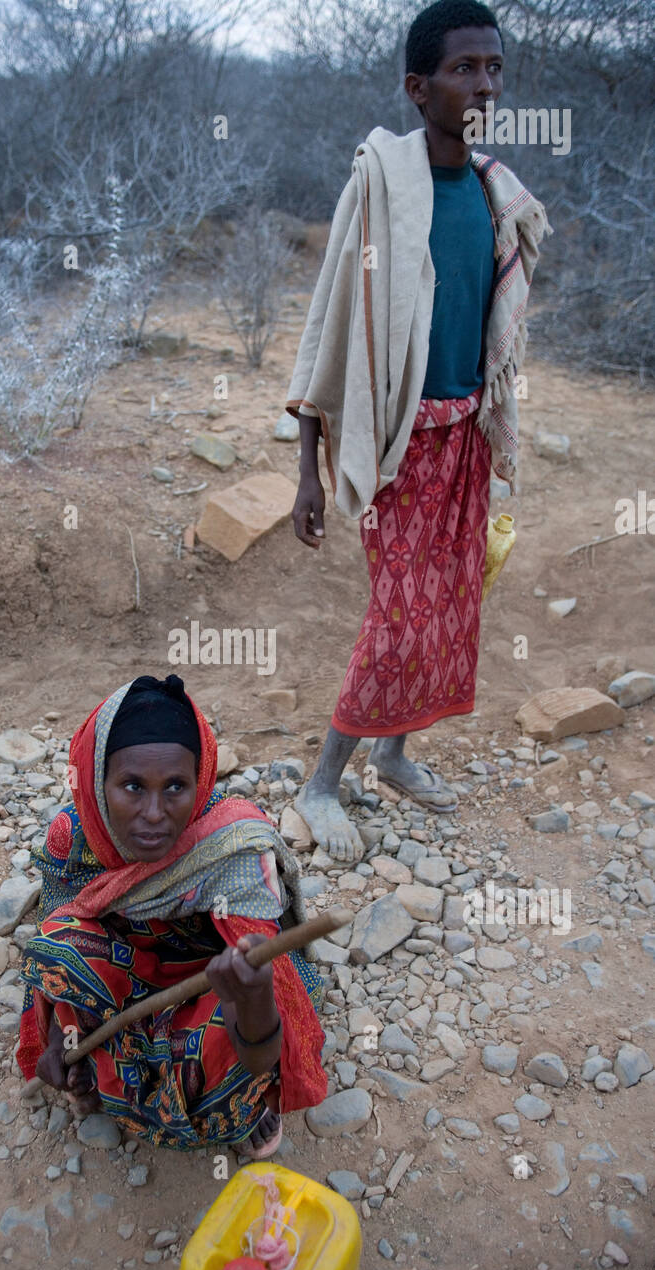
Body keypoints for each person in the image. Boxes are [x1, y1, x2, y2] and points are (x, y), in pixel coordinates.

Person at [286, 0, 552, 860]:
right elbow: (329, 330)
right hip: (400, 440)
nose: (485, 85)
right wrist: (308, 472)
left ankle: (396, 755)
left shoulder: (490, 190)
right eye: (465, 68)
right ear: (417, 86)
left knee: (451, 601)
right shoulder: (381, 188)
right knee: (398, 618)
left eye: (494, 69)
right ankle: (322, 783)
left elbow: (490, 321)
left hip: (465, 433)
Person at [16, 674, 327, 1157]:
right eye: (133, 786)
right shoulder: (75, 838)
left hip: (212, 986)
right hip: (126, 983)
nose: (156, 813)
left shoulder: (232, 848)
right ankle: (99, 1057)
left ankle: (237, 1105)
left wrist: (253, 996)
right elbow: (58, 947)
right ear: (98, 779)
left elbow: (266, 1027)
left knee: (243, 1039)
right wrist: (62, 1036)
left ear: (200, 779)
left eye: (176, 786)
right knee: (61, 945)